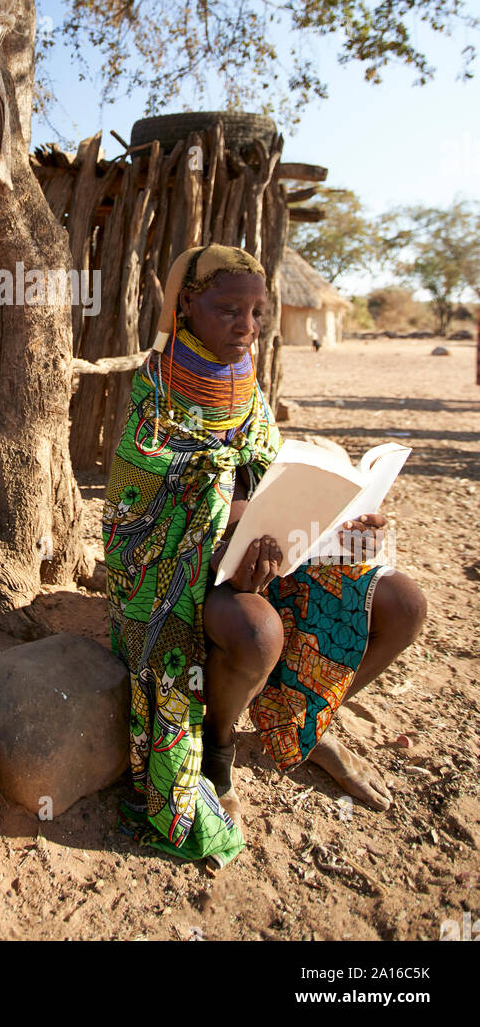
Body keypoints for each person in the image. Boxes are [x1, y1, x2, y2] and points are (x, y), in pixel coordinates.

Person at [102, 244, 426, 869]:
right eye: (228, 309)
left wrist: (335, 518)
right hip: (180, 568)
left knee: (403, 603)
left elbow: (266, 471)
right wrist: (233, 530)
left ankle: (304, 721)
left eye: (257, 311)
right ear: (187, 305)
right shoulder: (156, 391)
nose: (246, 326)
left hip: (261, 548)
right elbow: (138, 515)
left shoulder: (246, 382)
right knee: (256, 632)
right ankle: (219, 756)